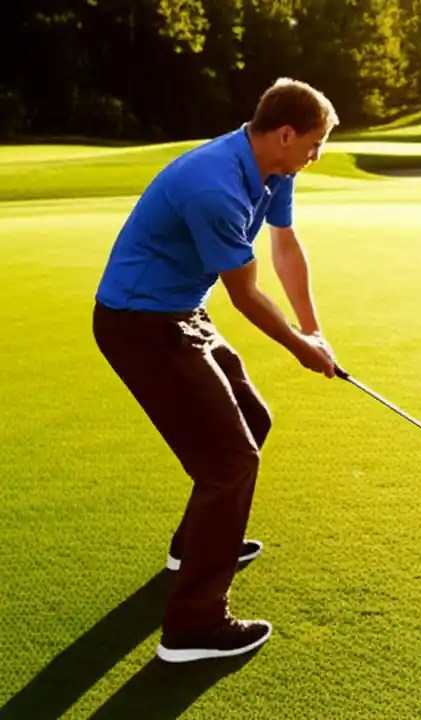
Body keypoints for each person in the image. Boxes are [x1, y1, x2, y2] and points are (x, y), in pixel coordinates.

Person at [92, 78, 339, 663]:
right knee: (230, 461)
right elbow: (247, 296)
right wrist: (300, 350)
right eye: (314, 144)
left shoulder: (273, 171)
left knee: (252, 419)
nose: (316, 155)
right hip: (139, 324)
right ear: (284, 134)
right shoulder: (215, 185)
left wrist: (314, 329)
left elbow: (285, 246)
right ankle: (192, 627)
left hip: (179, 312)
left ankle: (193, 547)